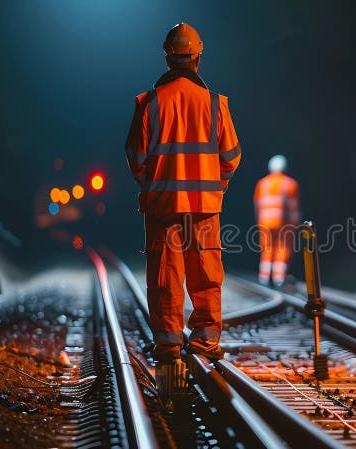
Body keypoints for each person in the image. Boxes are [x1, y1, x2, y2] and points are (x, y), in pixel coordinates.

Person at [125, 22, 241, 363]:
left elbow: (136, 157)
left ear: (167, 59)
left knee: (165, 278)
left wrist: (156, 185)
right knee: (206, 276)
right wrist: (214, 186)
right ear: (197, 58)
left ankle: (169, 344)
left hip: (162, 209)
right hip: (205, 208)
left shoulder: (149, 103)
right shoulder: (215, 103)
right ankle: (205, 342)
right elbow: (231, 157)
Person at [254, 155, 300, 287]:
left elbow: (257, 205)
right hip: (283, 223)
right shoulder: (290, 184)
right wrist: (294, 225)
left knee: (267, 248)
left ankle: (264, 277)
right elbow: (293, 208)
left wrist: (259, 222)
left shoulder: (262, 184)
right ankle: (278, 278)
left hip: (264, 222)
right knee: (283, 248)